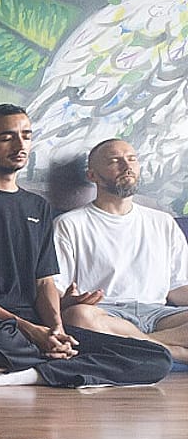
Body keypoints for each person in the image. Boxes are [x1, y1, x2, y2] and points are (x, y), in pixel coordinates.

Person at [0, 104, 172, 388]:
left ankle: (26, 376)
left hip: (35, 323)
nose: (20, 144)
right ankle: (41, 366)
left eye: (26, 136)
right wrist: (31, 331)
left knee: (155, 358)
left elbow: (44, 283)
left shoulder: (38, 207)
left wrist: (55, 328)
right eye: (7, 137)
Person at [54, 138, 188, 364]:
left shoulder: (163, 222)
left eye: (132, 159)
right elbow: (56, 290)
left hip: (158, 314)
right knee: (77, 316)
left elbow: (176, 289)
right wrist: (71, 300)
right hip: (104, 314)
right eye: (115, 161)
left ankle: (143, 347)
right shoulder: (69, 224)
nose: (127, 167)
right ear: (92, 176)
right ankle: (175, 353)